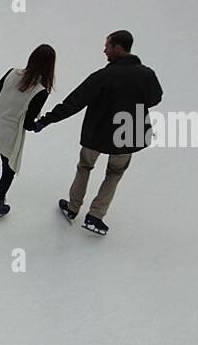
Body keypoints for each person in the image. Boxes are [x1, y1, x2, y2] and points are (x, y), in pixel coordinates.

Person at [31, 31, 163, 235]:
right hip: (128, 135)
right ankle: (95, 216)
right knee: (115, 173)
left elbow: (74, 102)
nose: (105, 51)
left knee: (84, 166)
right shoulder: (147, 75)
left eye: (107, 46)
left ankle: (73, 207)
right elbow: (155, 98)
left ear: (118, 48)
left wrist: (46, 120)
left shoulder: (102, 76)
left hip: (97, 134)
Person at [0, 45, 55, 221]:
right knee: (8, 170)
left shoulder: (11, 73)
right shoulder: (41, 91)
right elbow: (28, 123)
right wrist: (39, 125)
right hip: (10, 135)